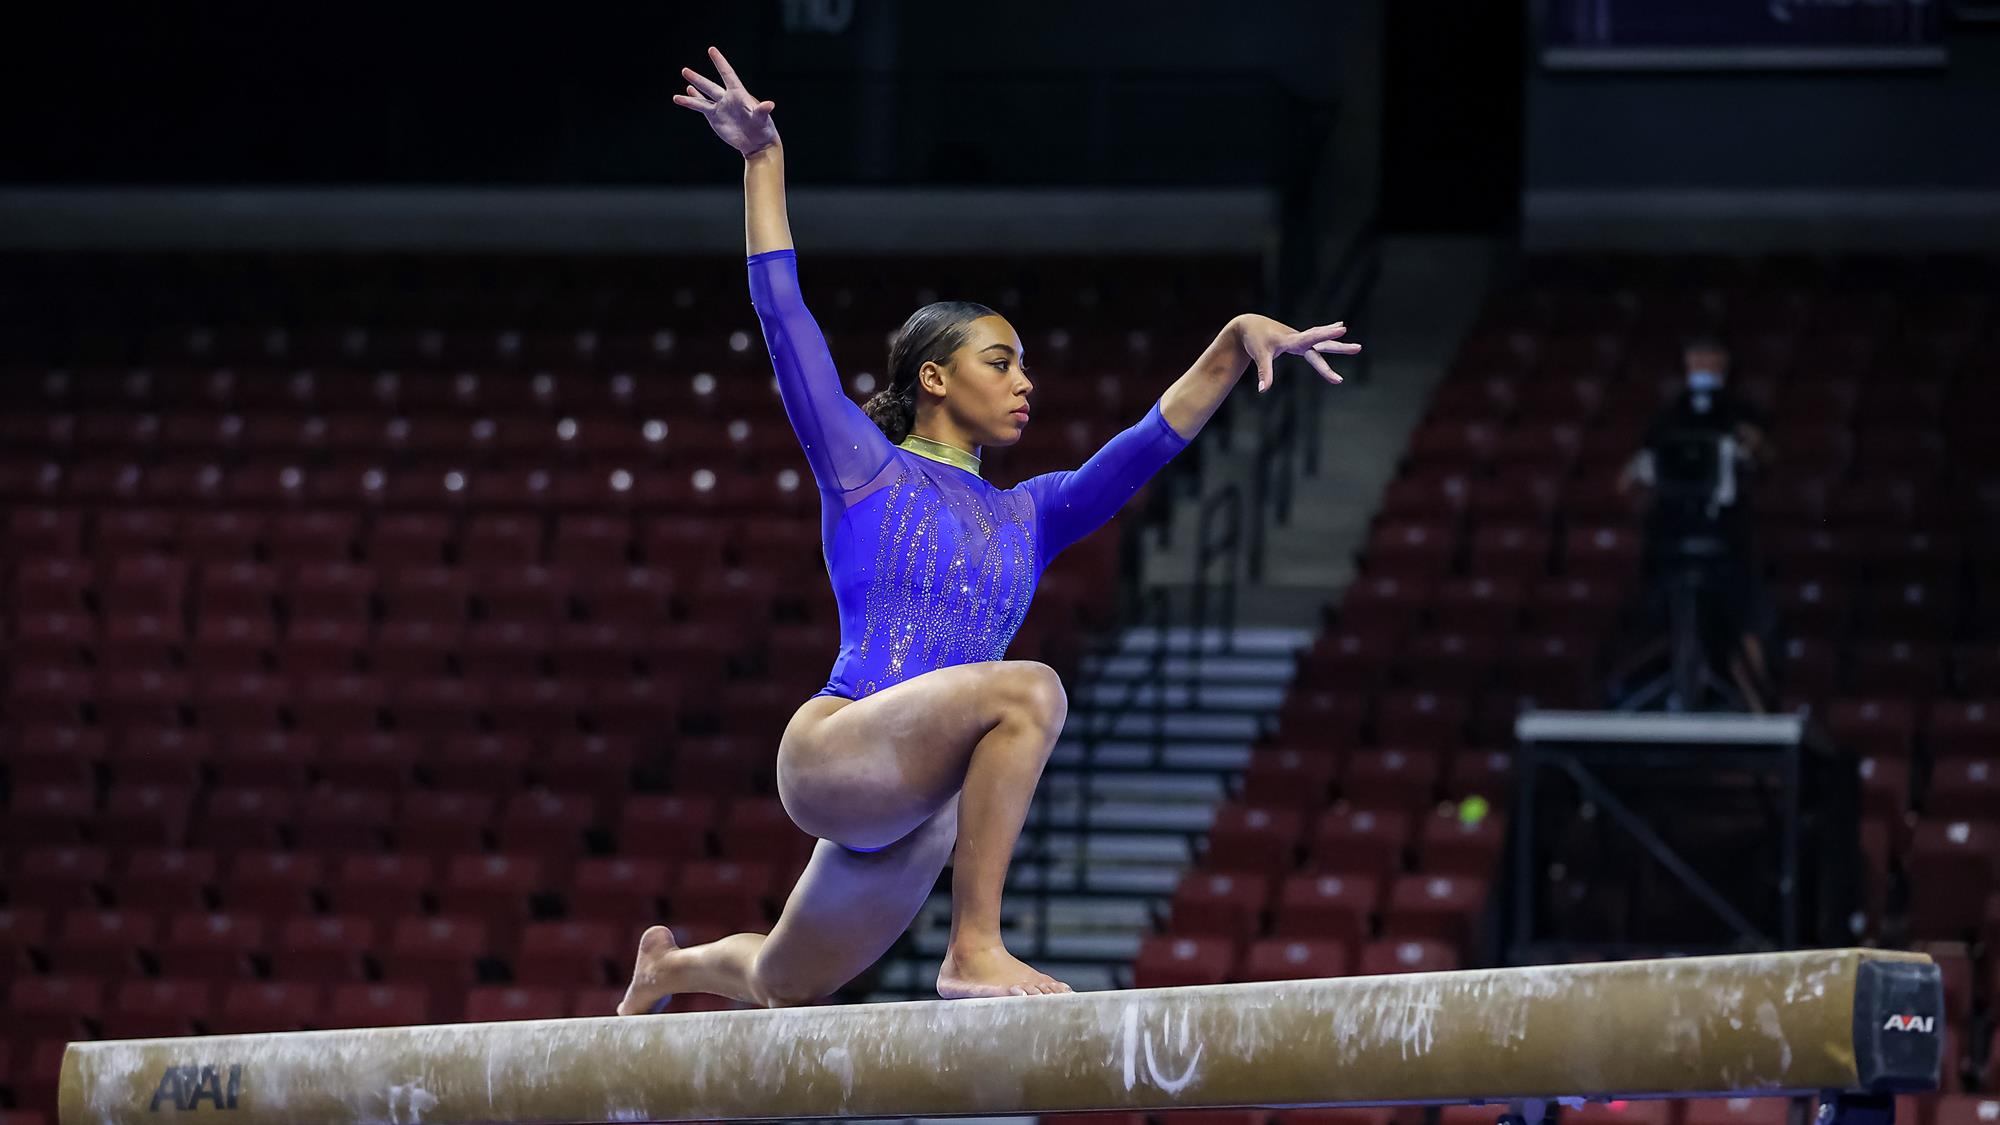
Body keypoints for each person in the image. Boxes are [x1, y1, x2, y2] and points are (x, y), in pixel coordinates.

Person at [615, 46, 1361, 1009]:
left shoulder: (1030, 513)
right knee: (1032, 691)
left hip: (915, 804)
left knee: (781, 983)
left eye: (1024, 368)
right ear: (934, 377)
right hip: (839, 750)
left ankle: (669, 967)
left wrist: (1229, 345)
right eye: (1000, 362)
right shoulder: (864, 469)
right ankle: (974, 946)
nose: (1025, 382)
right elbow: (784, 313)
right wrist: (764, 160)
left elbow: (1143, 447)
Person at [1617, 335, 1776, 709]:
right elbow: (1633, 477)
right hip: (1672, 537)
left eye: (1710, 361)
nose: (1702, 368)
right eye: (1696, 361)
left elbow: (1765, 458)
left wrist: (1750, 448)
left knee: (1742, 624)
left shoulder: (1740, 413)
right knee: (1662, 621)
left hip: (1727, 538)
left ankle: (1756, 707)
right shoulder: (1669, 416)